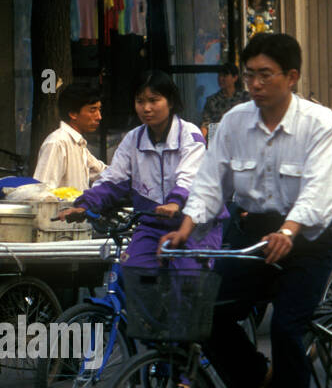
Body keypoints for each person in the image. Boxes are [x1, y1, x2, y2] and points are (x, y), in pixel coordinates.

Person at [160, 33, 332, 388]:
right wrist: (186, 225)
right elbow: (209, 180)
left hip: (307, 238)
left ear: (291, 77)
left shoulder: (319, 122)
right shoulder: (234, 122)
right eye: (249, 75)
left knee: (285, 328)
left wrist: (291, 229)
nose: (255, 84)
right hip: (253, 232)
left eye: (265, 75)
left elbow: (321, 189)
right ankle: (255, 378)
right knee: (209, 313)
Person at [60, 71, 221, 267]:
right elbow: (113, 178)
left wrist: (175, 202)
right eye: (140, 101)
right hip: (152, 226)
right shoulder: (132, 139)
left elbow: (190, 177)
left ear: (170, 102)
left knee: (186, 278)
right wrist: (85, 204)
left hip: (195, 225)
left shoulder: (190, 135)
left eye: (154, 100)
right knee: (132, 270)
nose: (146, 108)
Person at [34, 82, 106, 192]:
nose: (99, 117)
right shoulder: (57, 143)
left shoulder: (78, 144)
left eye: (99, 110)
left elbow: (102, 172)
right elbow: (42, 192)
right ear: (73, 114)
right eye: (92, 110)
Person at [200, 63, 250, 140]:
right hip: (220, 141)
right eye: (219, 75)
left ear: (235, 77)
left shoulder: (246, 98)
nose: (221, 79)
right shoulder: (212, 100)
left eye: (224, 76)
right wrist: (201, 141)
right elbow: (205, 124)